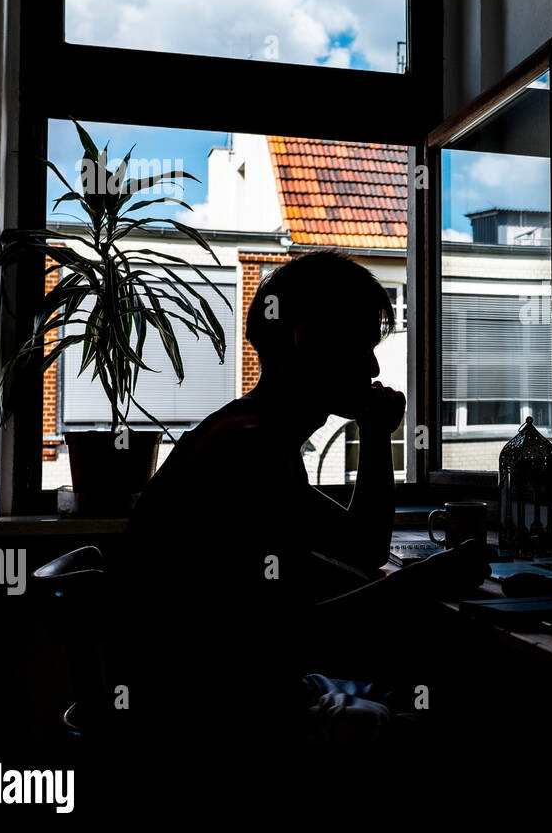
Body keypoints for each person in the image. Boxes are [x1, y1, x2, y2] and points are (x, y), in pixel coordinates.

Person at [117, 251, 490, 746]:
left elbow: (361, 547)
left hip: (213, 696)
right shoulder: (249, 448)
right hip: (216, 719)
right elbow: (293, 638)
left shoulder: (247, 433)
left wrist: (375, 434)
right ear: (309, 343)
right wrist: (424, 581)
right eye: (363, 347)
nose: (375, 365)